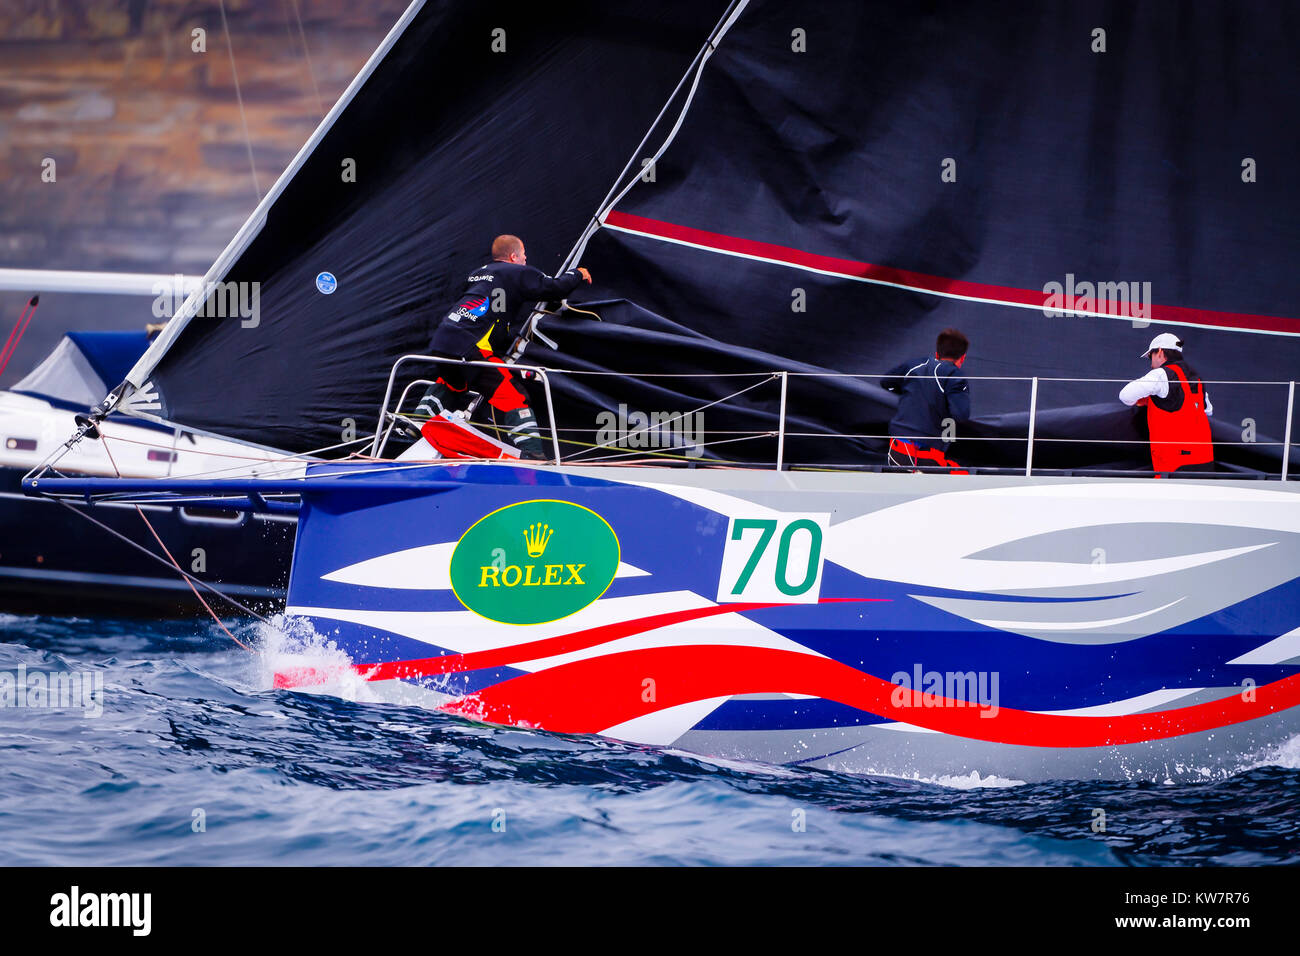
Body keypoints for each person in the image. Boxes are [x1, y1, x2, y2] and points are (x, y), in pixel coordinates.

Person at [415, 235, 591, 459]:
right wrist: (577, 273)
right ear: (513, 256)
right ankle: (534, 455)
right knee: (513, 394)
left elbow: (489, 307)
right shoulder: (517, 272)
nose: (526, 258)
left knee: (454, 380)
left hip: (444, 339)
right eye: (524, 254)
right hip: (472, 343)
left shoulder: (477, 274)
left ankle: (418, 419)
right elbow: (554, 288)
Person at [1119, 332, 1214, 475]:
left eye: (1150, 357)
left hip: (1175, 465)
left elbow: (1125, 396)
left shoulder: (1161, 374)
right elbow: (1208, 410)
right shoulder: (1196, 378)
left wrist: (1146, 400)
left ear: (1160, 352)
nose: (1151, 364)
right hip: (1205, 462)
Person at [882, 328, 971, 472]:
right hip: (929, 456)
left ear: (937, 353)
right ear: (962, 358)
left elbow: (886, 382)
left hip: (897, 449)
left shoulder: (915, 364)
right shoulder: (955, 376)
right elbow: (960, 415)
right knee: (966, 478)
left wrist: (908, 392)